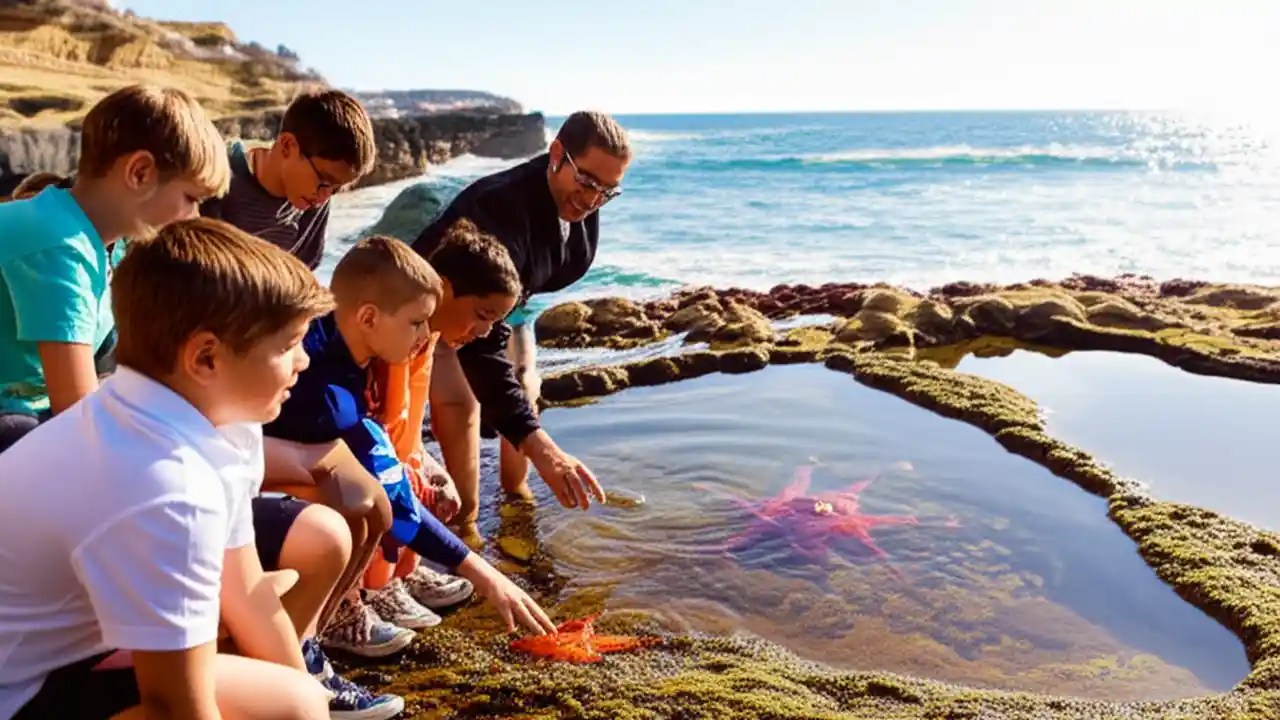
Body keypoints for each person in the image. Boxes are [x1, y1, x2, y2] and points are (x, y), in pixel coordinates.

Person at [0, 217, 332, 719]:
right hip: (17, 691)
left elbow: (243, 588)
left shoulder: (185, 419)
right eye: (287, 346)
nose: (304, 362)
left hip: (57, 654)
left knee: (299, 699)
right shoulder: (168, 488)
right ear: (205, 358)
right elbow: (176, 707)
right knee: (287, 708)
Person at [264, 233, 556, 656]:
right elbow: (394, 498)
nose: (426, 335)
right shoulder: (329, 390)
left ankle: (341, 609)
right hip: (250, 506)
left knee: (383, 489)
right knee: (364, 499)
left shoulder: (342, 347)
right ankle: (315, 635)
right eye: (418, 323)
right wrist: (484, 574)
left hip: (267, 477)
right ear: (368, 318)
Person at [411, 110, 630, 536]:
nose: (591, 200)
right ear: (556, 154)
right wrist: (545, 449)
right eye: (586, 182)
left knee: (526, 384)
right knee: (461, 401)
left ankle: (516, 495)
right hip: (442, 276)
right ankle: (465, 523)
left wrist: (539, 445)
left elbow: (524, 283)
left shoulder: (582, 200)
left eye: (607, 191)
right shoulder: (498, 209)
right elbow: (477, 343)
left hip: (514, 288)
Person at [0, 84, 229, 453]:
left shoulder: (107, 244)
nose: (195, 217)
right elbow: (76, 415)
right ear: (139, 173)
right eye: (191, 199)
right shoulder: (60, 244)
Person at [360, 218, 524, 626]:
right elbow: (372, 448)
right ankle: (371, 588)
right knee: (389, 484)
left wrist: (432, 468)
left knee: (422, 479)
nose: (485, 332)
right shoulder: (388, 342)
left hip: (391, 470)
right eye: (482, 315)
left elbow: (407, 432)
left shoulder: (427, 340)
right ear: (445, 287)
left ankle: (402, 571)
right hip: (363, 479)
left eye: (495, 322)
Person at [200, 88, 376, 270]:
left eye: (337, 189)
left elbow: (302, 279)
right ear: (287, 146)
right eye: (323, 179)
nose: (324, 197)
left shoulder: (313, 202)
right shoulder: (218, 180)